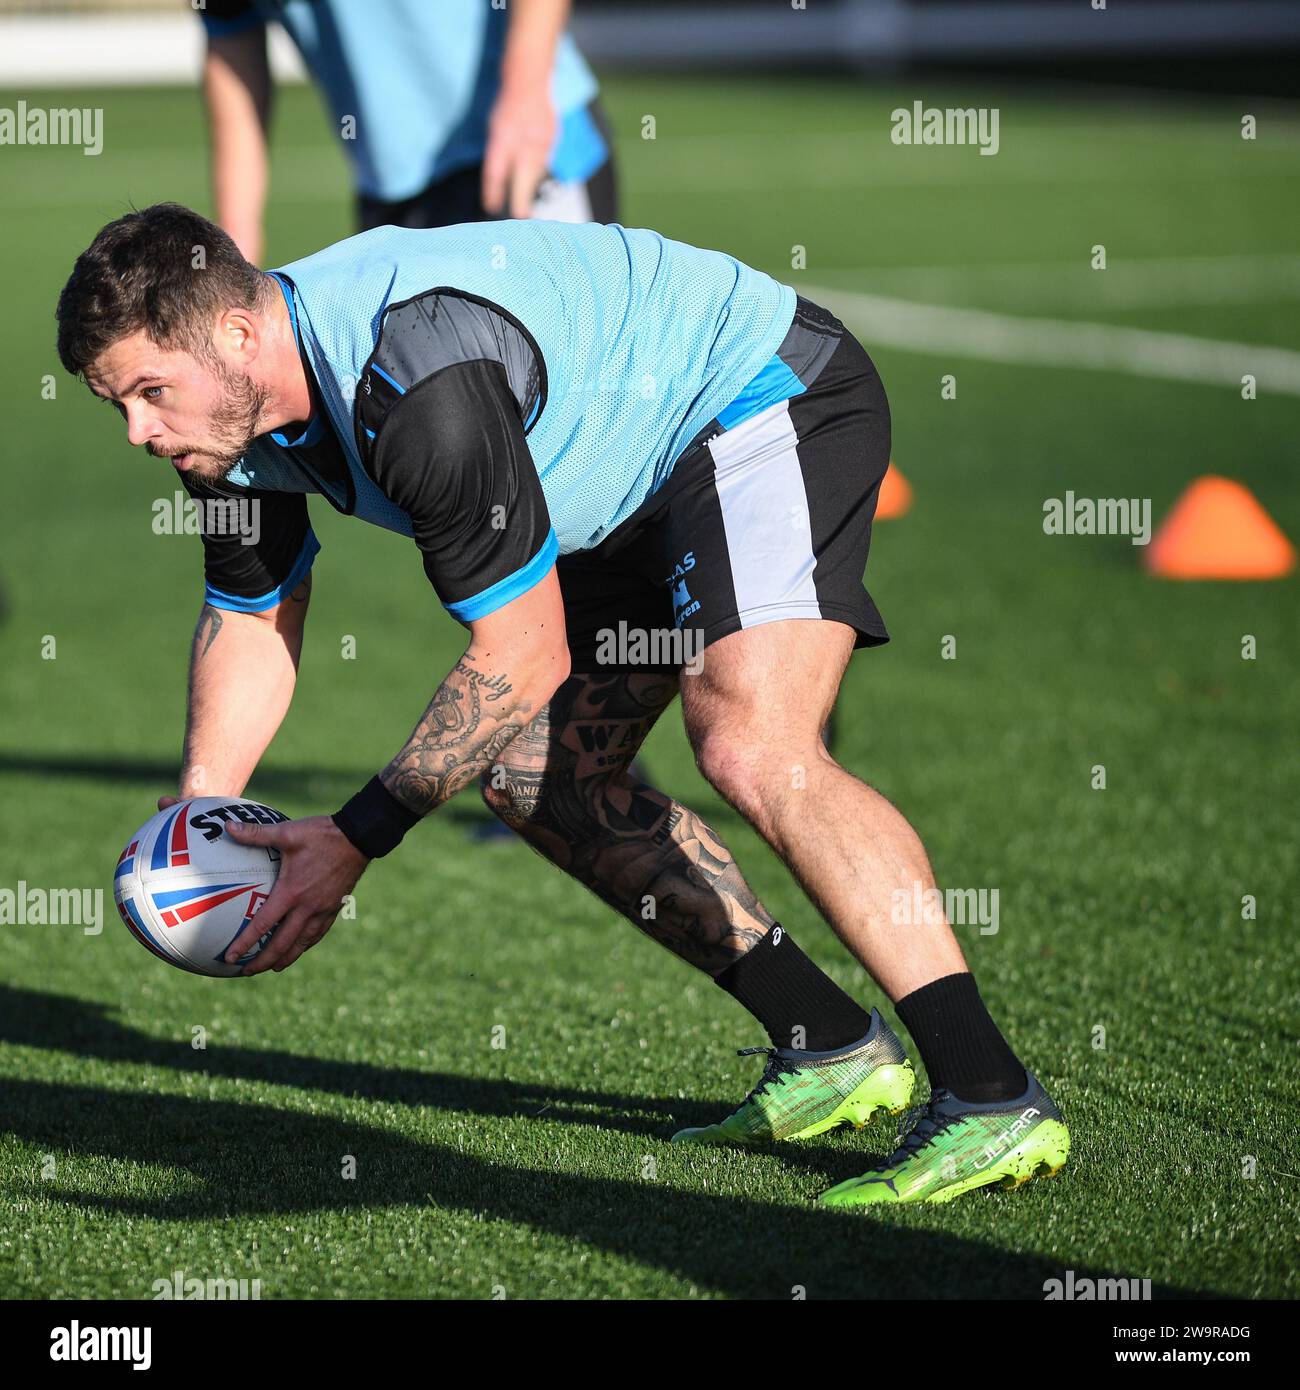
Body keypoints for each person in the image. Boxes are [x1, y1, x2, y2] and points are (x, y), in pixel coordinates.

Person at [56, 203, 1069, 1207]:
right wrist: (204, 810)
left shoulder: (416, 383)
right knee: (540, 778)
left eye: (150, 391)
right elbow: (250, 615)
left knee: (756, 746)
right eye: (119, 406)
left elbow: (521, 655)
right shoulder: (226, 427)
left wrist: (358, 835)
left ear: (237, 334)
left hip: (752, 398)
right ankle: (832, 1046)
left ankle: (989, 1093)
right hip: (612, 478)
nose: (141, 431)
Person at [200, 0, 617, 266]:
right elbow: (233, 40)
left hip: (528, 149)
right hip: (391, 192)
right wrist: (236, 248)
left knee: (558, 387)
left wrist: (524, 90)